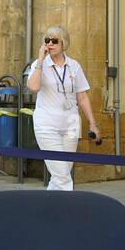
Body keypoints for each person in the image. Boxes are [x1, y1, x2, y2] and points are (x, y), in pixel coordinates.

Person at [26, 25, 100, 191]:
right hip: (46, 124)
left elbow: (82, 96)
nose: (50, 44)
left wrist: (93, 124)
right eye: (47, 40)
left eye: (54, 41)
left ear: (63, 43)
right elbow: (33, 87)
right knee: (62, 176)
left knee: (63, 173)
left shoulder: (74, 66)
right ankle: (65, 212)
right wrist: (39, 60)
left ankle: (50, 210)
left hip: (71, 124)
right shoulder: (40, 65)